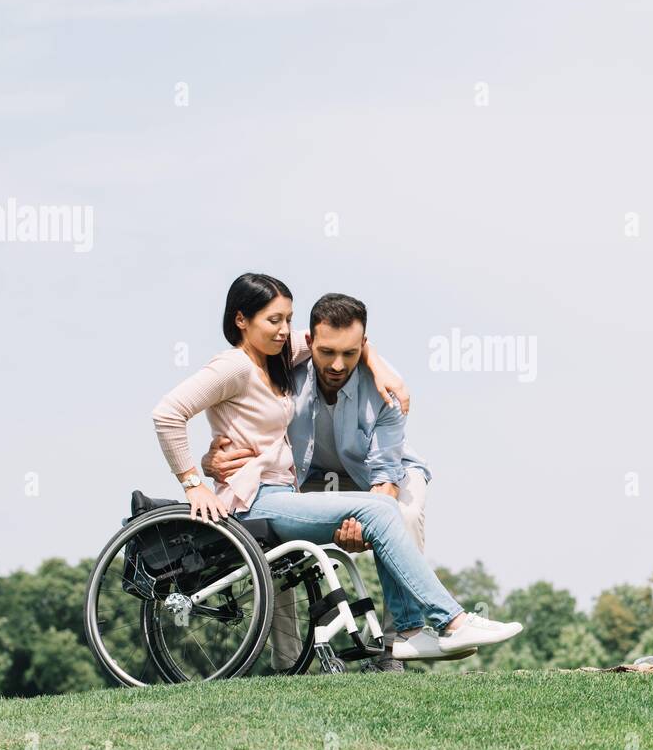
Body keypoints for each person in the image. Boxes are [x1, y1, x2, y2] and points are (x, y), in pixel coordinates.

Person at [151, 272, 522, 661]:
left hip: (291, 490)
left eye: (287, 320)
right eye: (273, 320)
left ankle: (412, 632)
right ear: (241, 320)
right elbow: (168, 413)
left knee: (386, 507)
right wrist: (194, 480)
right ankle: (451, 622)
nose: (283, 330)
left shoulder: (278, 358)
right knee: (379, 509)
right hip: (257, 498)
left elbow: (337, 344)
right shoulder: (235, 367)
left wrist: (376, 361)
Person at [203, 292, 434, 672]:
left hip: (381, 478)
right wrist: (211, 461)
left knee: (403, 517)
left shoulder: (384, 389)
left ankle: (396, 650)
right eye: (327, 352)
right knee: (270, 536)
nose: (338, 364)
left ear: (364, 345)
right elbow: (245, 427)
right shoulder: (281, 375)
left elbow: (385, 477)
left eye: (351, 353)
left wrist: (366, 520)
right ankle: (289, 664)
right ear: (309, 343)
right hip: (307, 481)